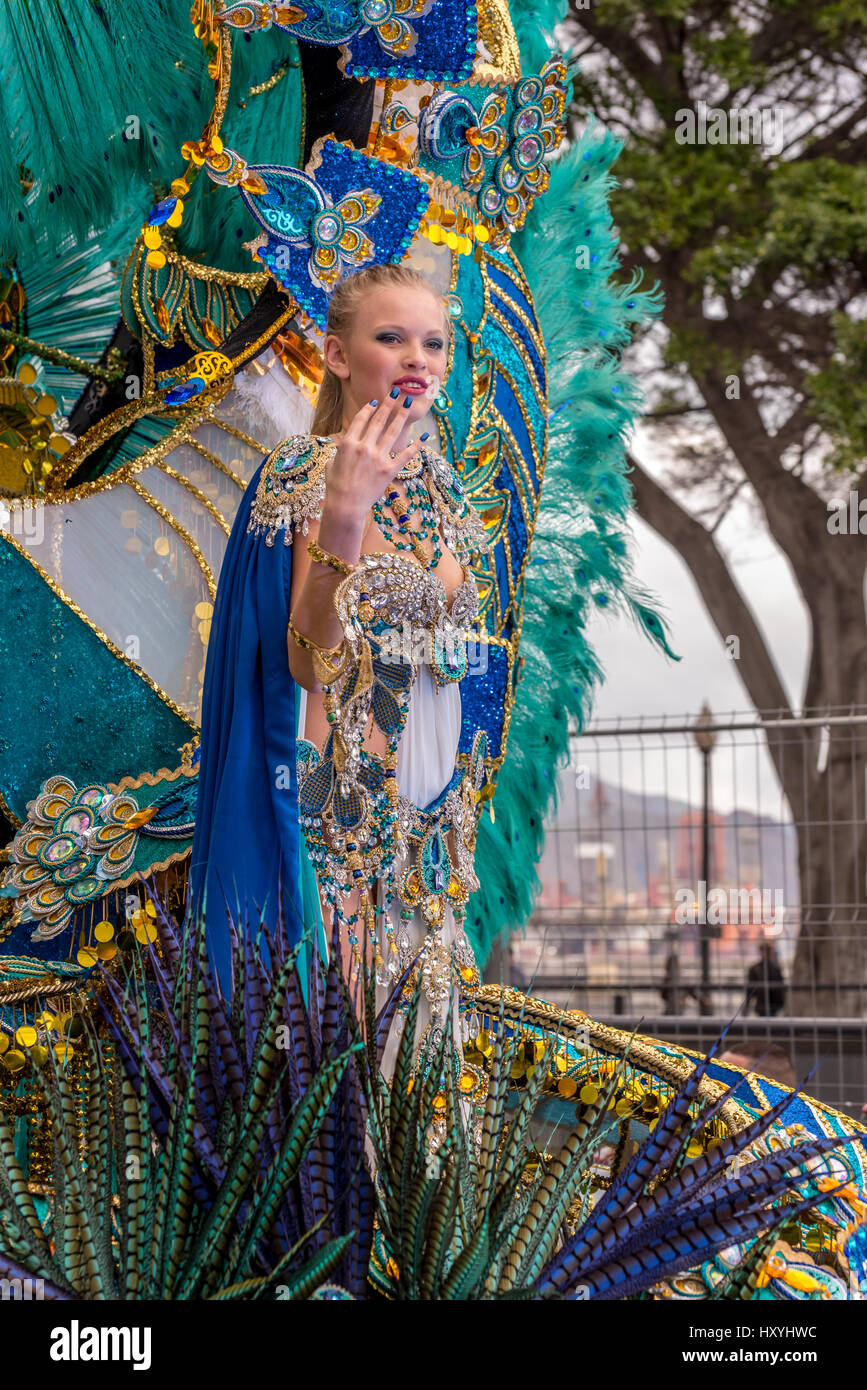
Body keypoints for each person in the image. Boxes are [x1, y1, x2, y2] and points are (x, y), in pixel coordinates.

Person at [189, 262, 495, 1072]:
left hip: (428, 827)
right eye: (389, 338)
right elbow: (306, 661)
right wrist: (347, 513)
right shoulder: (304, 472)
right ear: (334, 353)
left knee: (424, 1073)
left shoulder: (445, 494)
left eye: (433, 343)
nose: (415, 358)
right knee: (341, 1058)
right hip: (339, 816)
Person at [747, 940, 786, 1017]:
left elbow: (750, 990)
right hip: (772, 1005)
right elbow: (781, 989)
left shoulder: (754, 968)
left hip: (764, 1005)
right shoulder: (776, 968)